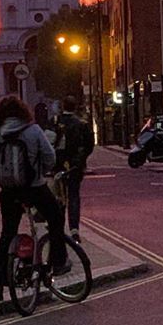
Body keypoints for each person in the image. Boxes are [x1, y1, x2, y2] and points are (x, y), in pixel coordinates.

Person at [0, 94, 68, 303]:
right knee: (56, 216)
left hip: (9, 192)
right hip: (34, 189)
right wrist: (40, 171)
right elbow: (50, 158)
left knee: (7, 232)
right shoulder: (33, 130)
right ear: (22, 111)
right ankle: (58, 261)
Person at [54, 95, 95, 241]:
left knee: (59, 197)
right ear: (75, 107)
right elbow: (89, 145)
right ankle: (74, 230)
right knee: (74, 196)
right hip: (76, 165)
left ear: (62, 106)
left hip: (58, 164)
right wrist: (81, 159)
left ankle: (58, 229)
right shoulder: (82, 124)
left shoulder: (55, 122)